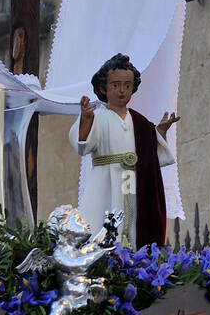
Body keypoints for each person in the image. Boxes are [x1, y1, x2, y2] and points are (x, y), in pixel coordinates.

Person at [69, 53, 179, 248]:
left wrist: (159, 131)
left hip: (133, 182)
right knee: (101, 219)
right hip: (105, 181)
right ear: (104, 87)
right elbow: (83, 145)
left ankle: (134, 258)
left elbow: (150, 153)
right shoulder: (98, 116)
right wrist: (86, 120)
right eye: (115, 85)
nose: (122, 91)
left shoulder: (140, 122)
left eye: (127, 86)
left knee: (135, 219)